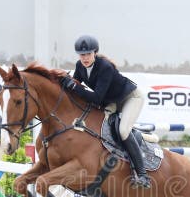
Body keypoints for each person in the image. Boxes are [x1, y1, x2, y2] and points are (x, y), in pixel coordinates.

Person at [60, 35, 150, 188]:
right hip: (112, 101)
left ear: (95, 53)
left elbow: (95, 98)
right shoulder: (80, 66)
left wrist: (74, 86)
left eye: (88, 54)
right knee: (99, 124)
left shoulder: (105, 67)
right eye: (82, 55)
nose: (85, 58)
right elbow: (75, 89)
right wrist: (63, 83)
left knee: (122, 130)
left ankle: (142, 175)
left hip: (130, 98)